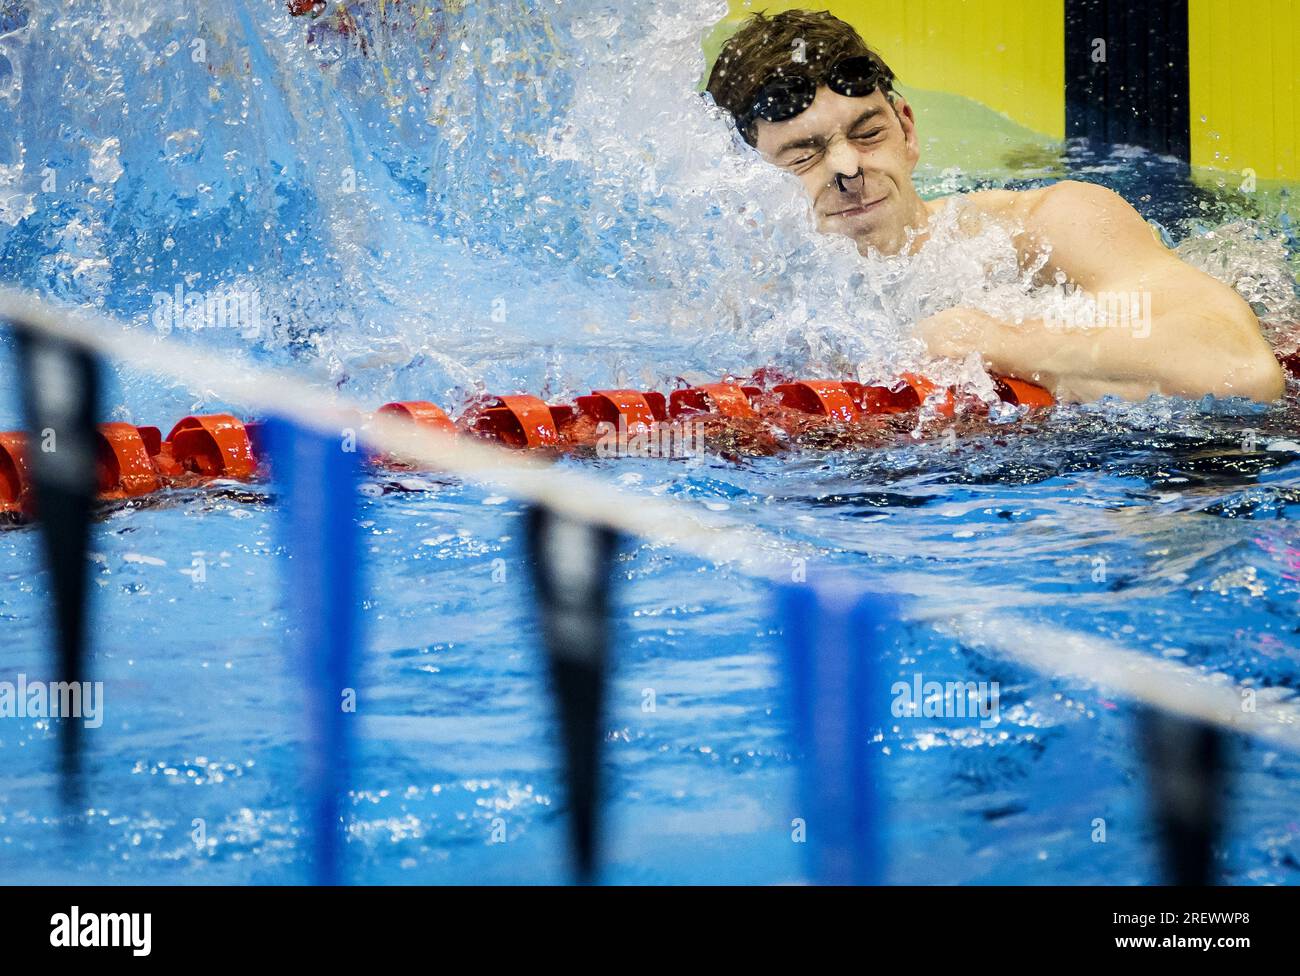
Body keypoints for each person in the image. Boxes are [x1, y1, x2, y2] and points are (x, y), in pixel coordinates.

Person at [705, 9, 1284, 403]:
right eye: (804, 154)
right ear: (744, 182)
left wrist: (992, 339)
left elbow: (1241, 370)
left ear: (906, 129)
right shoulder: (759, 306)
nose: (850, 169)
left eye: (867, 133)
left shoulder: (1048, 227)